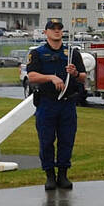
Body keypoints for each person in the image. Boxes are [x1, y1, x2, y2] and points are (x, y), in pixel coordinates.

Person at [25, 19, 87, 190]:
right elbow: (32, 76)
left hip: (67, 103)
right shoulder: (38, 53)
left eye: (59, 28)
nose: (57, 31)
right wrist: (51, 77)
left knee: (67, 139)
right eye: (53, 29)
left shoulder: (72, 53)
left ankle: (63, 174)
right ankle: (50, 175)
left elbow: (83, 77)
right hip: (47, 102)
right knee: (46, 140)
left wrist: (74, 73)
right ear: (46, 32)